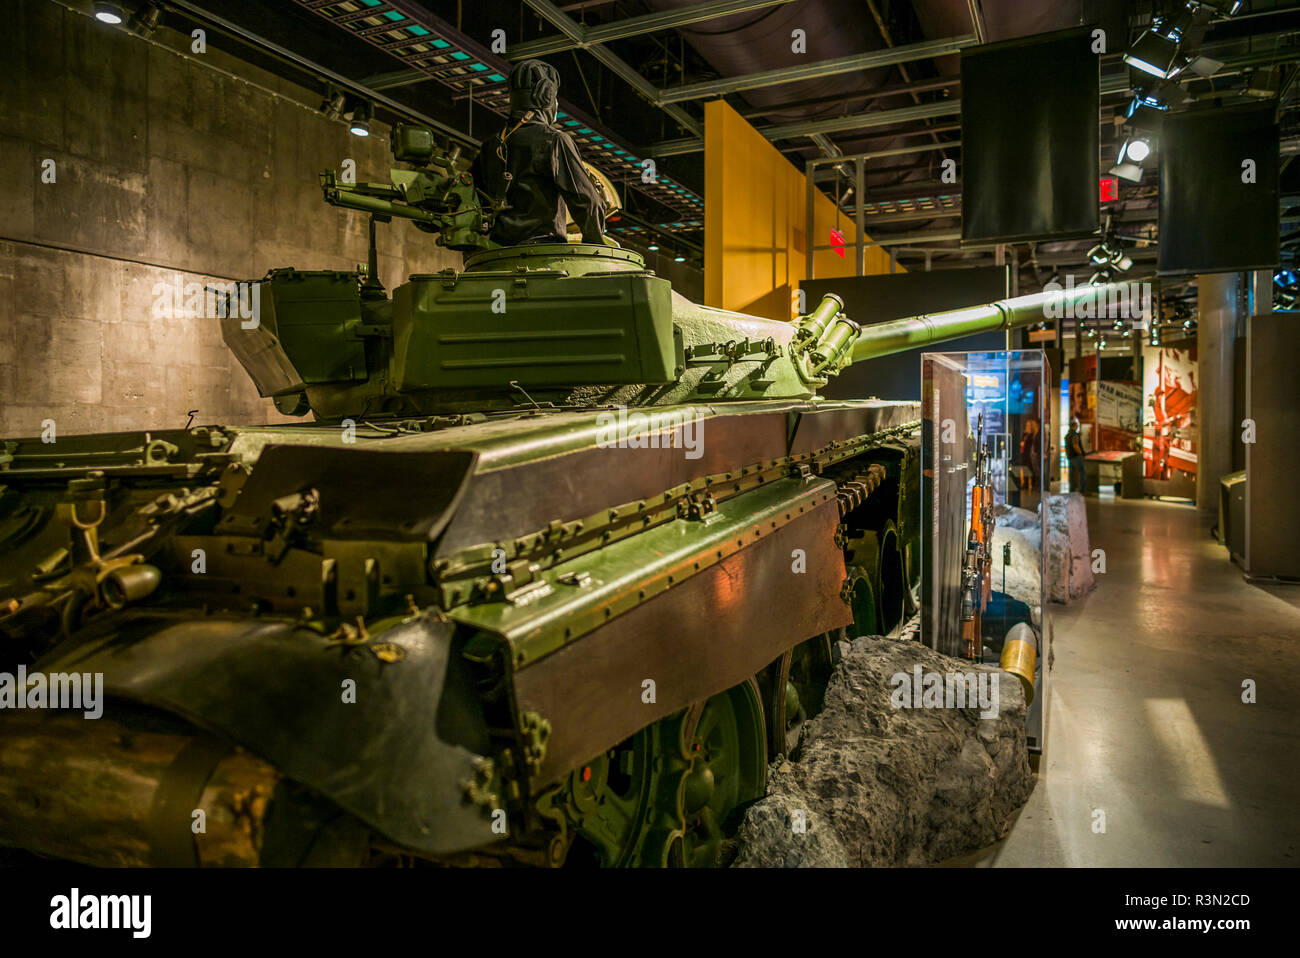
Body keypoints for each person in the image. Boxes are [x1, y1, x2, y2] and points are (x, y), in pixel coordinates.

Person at [469, 59, 606, 247]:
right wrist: (596, 247)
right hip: (543, 254)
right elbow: (588, 202)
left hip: (497, 255)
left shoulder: (491, 145)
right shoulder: (553, 140)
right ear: (546, 96)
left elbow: (475, 204)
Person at [1066, 417, 1087, 493]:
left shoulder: (1068, 435)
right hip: (1076, 457)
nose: (1077, 427)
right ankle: (1082, 489)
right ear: (1074, 426)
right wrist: (1081, 453)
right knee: (1082, 472)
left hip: (1070, 457)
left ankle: (1072, 489)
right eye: (1077, 425)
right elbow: (1075, 445)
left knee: (1072, 475)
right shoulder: (1074, 435)